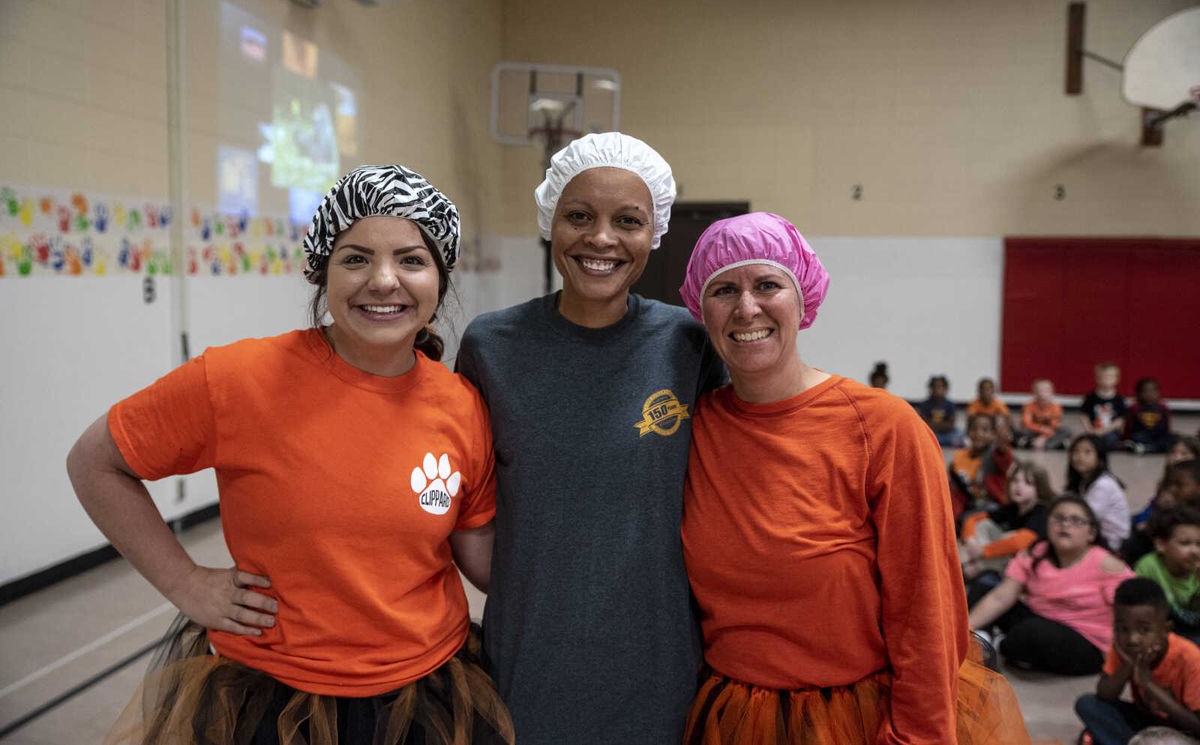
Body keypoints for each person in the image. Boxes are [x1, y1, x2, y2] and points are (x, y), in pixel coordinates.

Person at [66, 165, 513, 745]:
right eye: (355, 259)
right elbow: (94, 463)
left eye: (411, 259)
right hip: (267, 694)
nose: (383, 280)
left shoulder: (462, 407)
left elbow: (478, 557)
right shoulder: (238, 379)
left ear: (439, 279)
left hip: (425, 690)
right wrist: (185, 582)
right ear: (321, 272)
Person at [678, 212, 1028, 745]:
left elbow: (926, 608)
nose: (747, 307)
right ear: (700, 310)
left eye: (767, 284)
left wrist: (916, 735)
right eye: (724, 290)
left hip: (857, 719)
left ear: (803, 298)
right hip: (731, 719)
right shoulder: (695, 429)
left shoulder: (883, 427)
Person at [455, 133, 725, 745]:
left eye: (627, 221)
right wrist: (541, 578)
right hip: (530, 658)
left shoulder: (686, 343)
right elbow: (464, 499)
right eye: (579, 216)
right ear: (551, 220)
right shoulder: (492, 346)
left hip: (662, 663)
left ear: (651, 233)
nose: (601, 239)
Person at [969, 494, 1133, 675]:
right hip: (1039, 618)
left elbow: (1132, 608)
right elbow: (1001, 597)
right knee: (985, 582)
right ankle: (980, 639)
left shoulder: (1106, 563)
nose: (1065, 524)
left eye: (1076, 520)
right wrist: (966, 629)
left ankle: (1000, 645)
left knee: (1033, 633)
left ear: (1091, 533)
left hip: (1085, 642)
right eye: (1059, 518)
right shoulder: (1036, 552)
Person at [1075, 577, 1200, 744]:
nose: (1133, 639)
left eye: (1144, 630)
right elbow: (1104, 695)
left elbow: (1197, 726)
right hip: (1147, 722)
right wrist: (1127, 666)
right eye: (1123, 629)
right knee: (1087, 704)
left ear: (1166, 629)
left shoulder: (1190, 658)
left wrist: (1148, 684)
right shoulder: (1125, 648)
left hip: (1182, 729)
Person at [961, 460, 1055, 602]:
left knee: (1012, 538)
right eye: (1015, 481)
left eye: (1028, 483)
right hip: (997, 561)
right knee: (984, 525)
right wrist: (970, 540)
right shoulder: (1013, 508)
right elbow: (974, 519)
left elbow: (1021, 542)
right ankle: (979, 565)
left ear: (1040, 488)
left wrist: (983, 551)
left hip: (1030, 566)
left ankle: (978, 567)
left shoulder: (1042, 511)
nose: (1019, 487)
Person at [1136, 503, 1200, 642]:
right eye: (1185, 543)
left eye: (1199, 544)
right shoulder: (1149, 567)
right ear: (1161, 545)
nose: (1195, 551)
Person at [1125, 458, 1200, 566]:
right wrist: (1162, 510)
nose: (1172, 489)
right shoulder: (1167, 506)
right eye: (1169, 484)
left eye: (1179, 485)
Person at [1069, 433, 1132, 551]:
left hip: (1112, 543)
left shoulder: (1103, 484)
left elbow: (1086, 517)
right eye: (1076, 452)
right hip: (1096, 535)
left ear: (1100, 457)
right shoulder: (1084, 481)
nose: (1079, 456)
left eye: (1087, 452)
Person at [949, 413, 1013, 520]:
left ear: (994, 434)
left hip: (992, 504)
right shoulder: (958, 457)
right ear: (968, 432)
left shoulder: (994, 456)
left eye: (985, 430)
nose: (979, 434)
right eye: (974, 429)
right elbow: (955, 490)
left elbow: (1005, 459)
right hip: (969, 503)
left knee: (967, 519)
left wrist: (1002, 445)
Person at [1084, 362, 1129, 453]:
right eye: (1103, 377)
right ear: (1097, 378)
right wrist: (1089, 430)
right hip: (1094, 430)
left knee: (1111, 440)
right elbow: (1084, 415)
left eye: (1110, 377)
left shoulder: (1119, 399)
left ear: (1116, 379)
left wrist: (1105, 430)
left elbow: (1120, 420)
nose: (1106, 380)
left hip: (1110, 431)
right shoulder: (1091, 397)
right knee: (1086, 441)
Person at [1018, 378, 1070, 451]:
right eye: (1040, 391)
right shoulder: (1028, 406)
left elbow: (1054, 425)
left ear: (1052, 393)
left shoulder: (1056, 407)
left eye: (1046, 391)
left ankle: (1044, 445)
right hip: (1034, 432)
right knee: (1022, 431)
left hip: (1050, 433)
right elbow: (1027, 423)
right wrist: (1041, 429)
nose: (1042, 394)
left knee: (1065, 431)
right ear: (1034, 393)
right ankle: (1054, 445)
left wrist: (1044, 437)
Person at [1126, 378, 1174, 455]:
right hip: (1142, 435)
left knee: (1172, 438)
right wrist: (1126, 438)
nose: (1149, 394)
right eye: (1145, 391)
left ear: (1158, 392)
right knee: (1136, 438)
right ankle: (1151, 448)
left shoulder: (1163, 408)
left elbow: (1166, 426)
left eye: (1153, 391)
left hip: (1159, 435)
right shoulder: (1134, 408)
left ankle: (1147, 449)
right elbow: (1129, 426)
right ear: (1138, 393)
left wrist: (1167, 436)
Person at [916, 374, 963, 448]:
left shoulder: (950, 405)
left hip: (946, 434)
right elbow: (923, 424)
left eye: (940, 387)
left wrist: (935, 424)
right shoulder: (924, 404)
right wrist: (941, 425)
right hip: (931, 433)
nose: (937, 390)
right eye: (935, 387)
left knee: (960, 432)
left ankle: (935, 442)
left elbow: (951, 425)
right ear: (930, 389)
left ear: (946, 389)